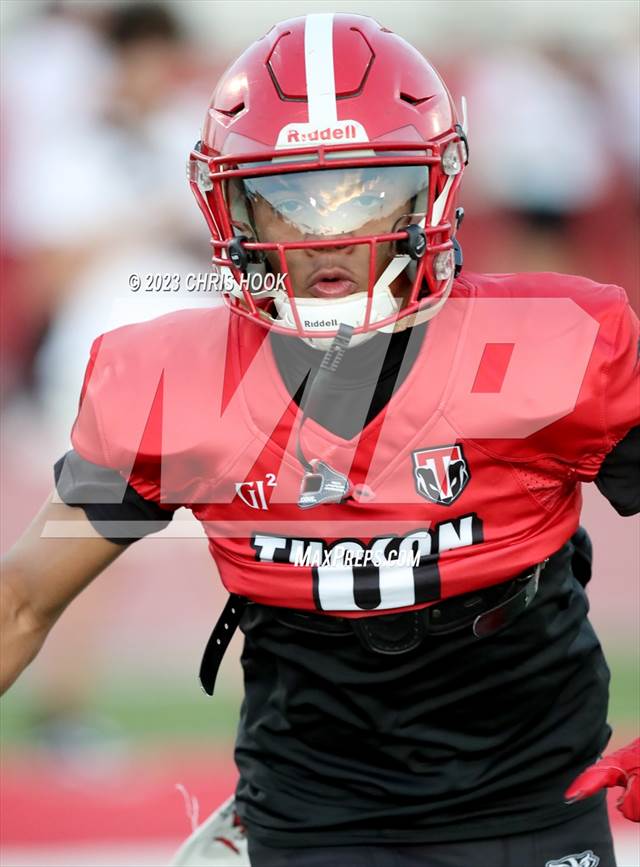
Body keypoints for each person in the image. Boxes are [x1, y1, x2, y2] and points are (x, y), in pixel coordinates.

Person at [1, 13, 638, 867]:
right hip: (316, 815)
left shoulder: (559, 343)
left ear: (434, 188)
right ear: (228, 204)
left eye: (366, 190)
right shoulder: (166, 383)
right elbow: (22, 600)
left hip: (533, 801)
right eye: (290, 197)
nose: (328, 234)